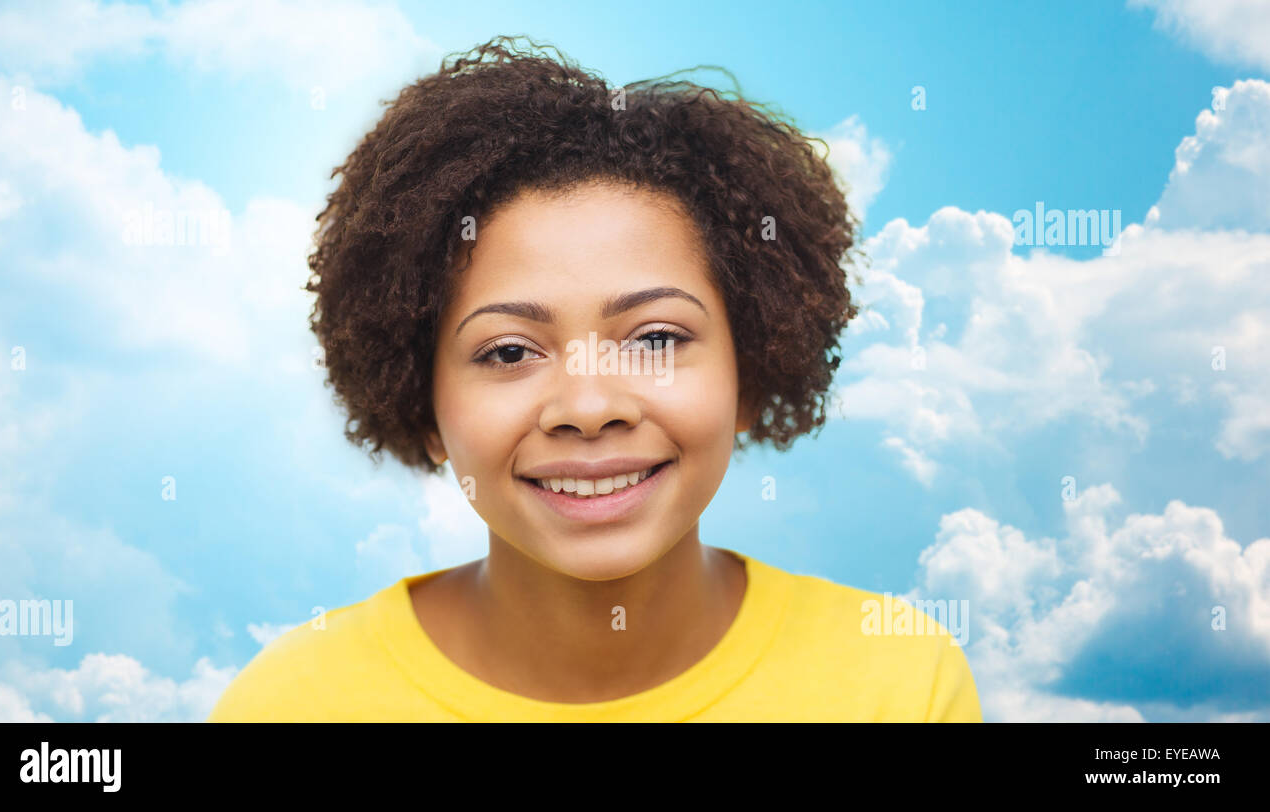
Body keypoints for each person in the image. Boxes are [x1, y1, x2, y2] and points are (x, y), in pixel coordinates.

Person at [209, 35, 982, 722]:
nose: (587, 406)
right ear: (420, 403)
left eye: (654, 338)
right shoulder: (293, 704)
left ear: (753, 372)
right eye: (509, 352)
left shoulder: (897, 685)